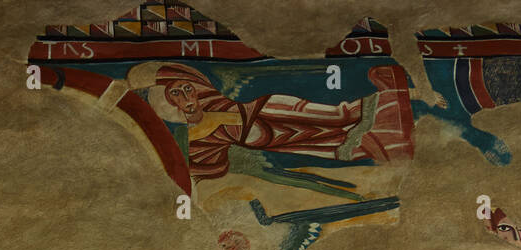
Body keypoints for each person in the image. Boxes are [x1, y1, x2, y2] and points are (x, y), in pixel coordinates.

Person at [154, 62, 414, 182]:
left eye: (186, 88)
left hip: (269, 109)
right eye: (175, 94)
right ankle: (390, 142)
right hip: (267, 141)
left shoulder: (212, 100)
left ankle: (396, 96)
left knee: (338, 116)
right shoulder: (195, 140)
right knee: (335, 146)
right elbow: (203, 170)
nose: (186, 96)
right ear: (171, 105)